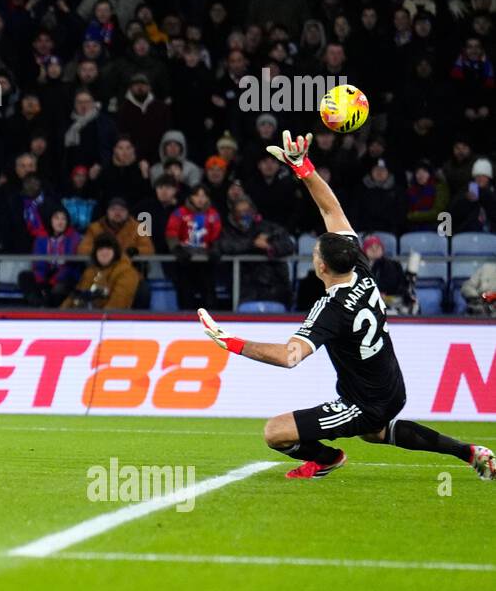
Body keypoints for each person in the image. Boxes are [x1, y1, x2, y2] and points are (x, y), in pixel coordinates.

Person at [199, 130, 495, 481]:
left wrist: (230, 343)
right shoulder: (360, 268)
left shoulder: (332, 307)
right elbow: (330, 207)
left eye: (314, 253)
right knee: (378, 433)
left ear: (322, 266)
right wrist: (303, 167)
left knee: (275, 432)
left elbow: (289, 357)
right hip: (389, 386)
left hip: (363, 401)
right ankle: (471, 453)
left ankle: (326, 458)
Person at [64, 232, 141, 309]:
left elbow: (117, 305)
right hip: (82, 318)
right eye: (100, 249)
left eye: (108, 248)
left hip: (107, 319)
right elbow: (75, 297)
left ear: (115, 251)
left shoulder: (127, 272)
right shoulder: (90, 272)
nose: (104, 252)